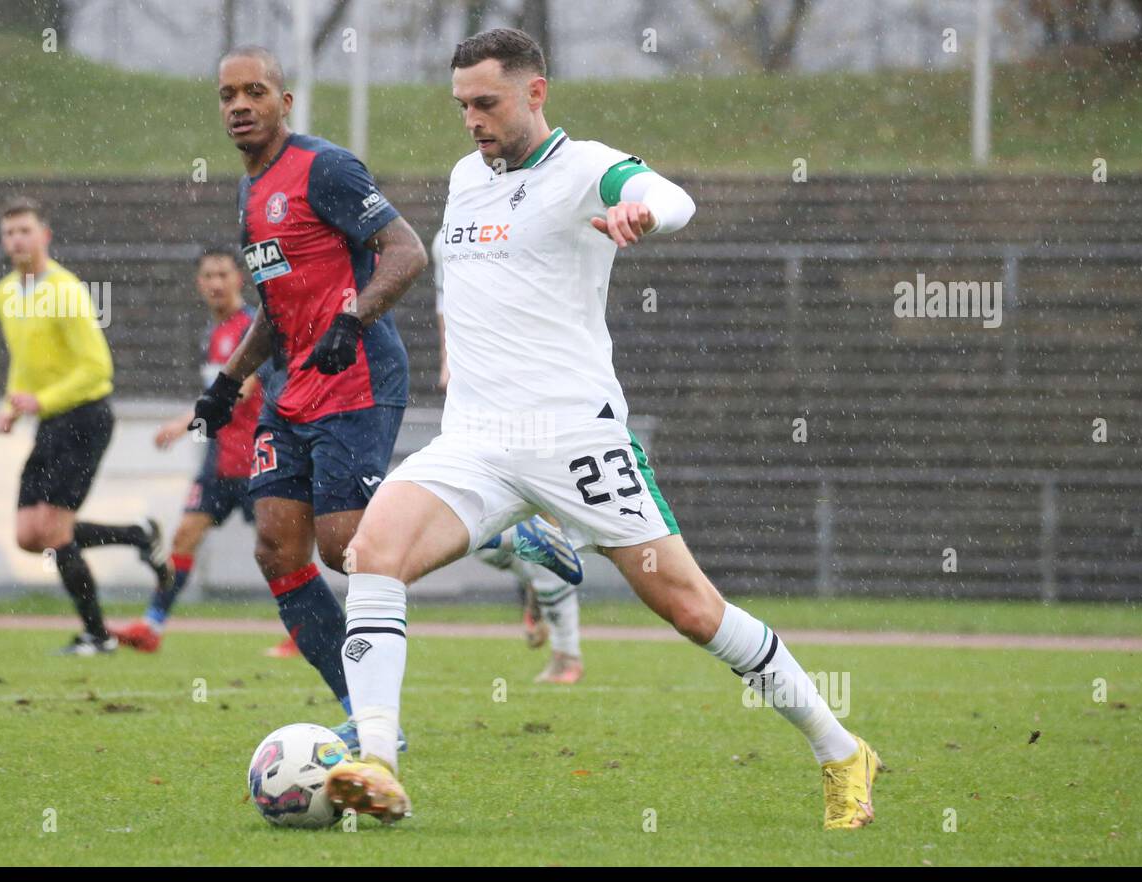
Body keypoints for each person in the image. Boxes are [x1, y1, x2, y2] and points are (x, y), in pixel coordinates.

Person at [324, 29, 882, 831]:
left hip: (574, 438)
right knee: (371, 554)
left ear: (535, 92)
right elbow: (464, 277)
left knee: (693, 610)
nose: (473, 120)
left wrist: (643, 210)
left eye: (487, 103)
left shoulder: (585, 167)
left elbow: (673, 195)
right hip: (476, 440)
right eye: (462, 106)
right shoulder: (464, 179)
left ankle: (839, 750)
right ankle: (377, 761)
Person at [196, 46, 587, 751]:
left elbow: (406, 250)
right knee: (277, 551)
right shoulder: (250, 194)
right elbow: (273, 303)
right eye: (228, 95)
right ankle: (368, 714)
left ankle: (501, 534)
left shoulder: (326, 168)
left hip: (358, 377)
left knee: (349, 550)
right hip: (291, 388)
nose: (240, 105)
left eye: (256, 90)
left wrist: (352, 319)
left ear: (286, 103)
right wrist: (229, 383)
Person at [0, 196, 171, 656]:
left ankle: (97, 635)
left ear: (44, 236)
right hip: (50, 420)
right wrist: (12, 405)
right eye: (9, 232)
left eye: (25, 231)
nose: (17, 240)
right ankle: (136, 534)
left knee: (53, 532)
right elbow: (23, 363)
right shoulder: (5, 293)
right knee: (28, 535)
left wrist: (43, 399)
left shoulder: (66, 290)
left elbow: (97, 369)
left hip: (86, 417)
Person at [112, 249, 293, 655]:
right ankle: (152, 625)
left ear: (238, 280)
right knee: (184, 535)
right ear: (199, 283)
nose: (215, 283)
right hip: (220, 459)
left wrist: (183, 423)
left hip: (257, 457)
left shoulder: (252, 326)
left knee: (278, 549)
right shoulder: (211, 335)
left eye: (222, 274)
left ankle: (303, 630)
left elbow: (242, 389)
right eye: (208, 275)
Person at [432, 227, 584, 683]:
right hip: (476, 400)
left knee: (550, 519)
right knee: (464, 520)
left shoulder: (537, 222)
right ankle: (532, 560)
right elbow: (446, 304)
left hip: (536, 393)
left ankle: (567, 655)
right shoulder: (449, 238)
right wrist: (448, 360)